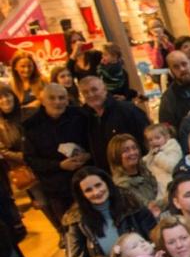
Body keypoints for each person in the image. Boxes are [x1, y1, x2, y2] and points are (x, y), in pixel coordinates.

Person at [63, 167, 156, 257]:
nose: (96, 192)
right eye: (88, 190)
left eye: (98, 185)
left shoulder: (132, 203)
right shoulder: (76, 221)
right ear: (81, 195)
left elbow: (154, 238)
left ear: (107, 182)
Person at [23, 83, 91, 233]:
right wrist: (59, 165)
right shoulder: (31, 126)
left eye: (61, 98)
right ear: (42, 100)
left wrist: (88, 155)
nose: (57, 102)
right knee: (72, 230)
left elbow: (94, 141)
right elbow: (30, 160)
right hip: (57, 189)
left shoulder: (81, 116)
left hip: (87, 180)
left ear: (67, 100)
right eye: (52, 98)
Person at [77, 75, 149, 172]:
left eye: (94, 90)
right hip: (108, 176)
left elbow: (146, 140)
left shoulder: (127, 110)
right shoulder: (86, 118)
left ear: (104, 90)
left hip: (136, 174)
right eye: (85, 92)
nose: (91, 95)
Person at [107, 134, 160, 209]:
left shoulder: (147, 170)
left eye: (134, 148)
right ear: (116, 156)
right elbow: (149, 207)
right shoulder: (121, 186)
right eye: (126, 150)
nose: (133, 152)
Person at [158, 51, 190, 130]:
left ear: (189, 63)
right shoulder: (168, 99)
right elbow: (167, 130)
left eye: (184, 64)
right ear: (171, 71)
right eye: (176, 67)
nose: (182, 69)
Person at [143, 123, 182, 196]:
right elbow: (146, 162)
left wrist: (158, 155)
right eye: (150, 140)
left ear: (167, 137)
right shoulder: (154, 151)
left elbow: (172, 166)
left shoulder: (172, 148)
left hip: (169, 183)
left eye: (157, 138)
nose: (154, 141)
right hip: (157, 185)